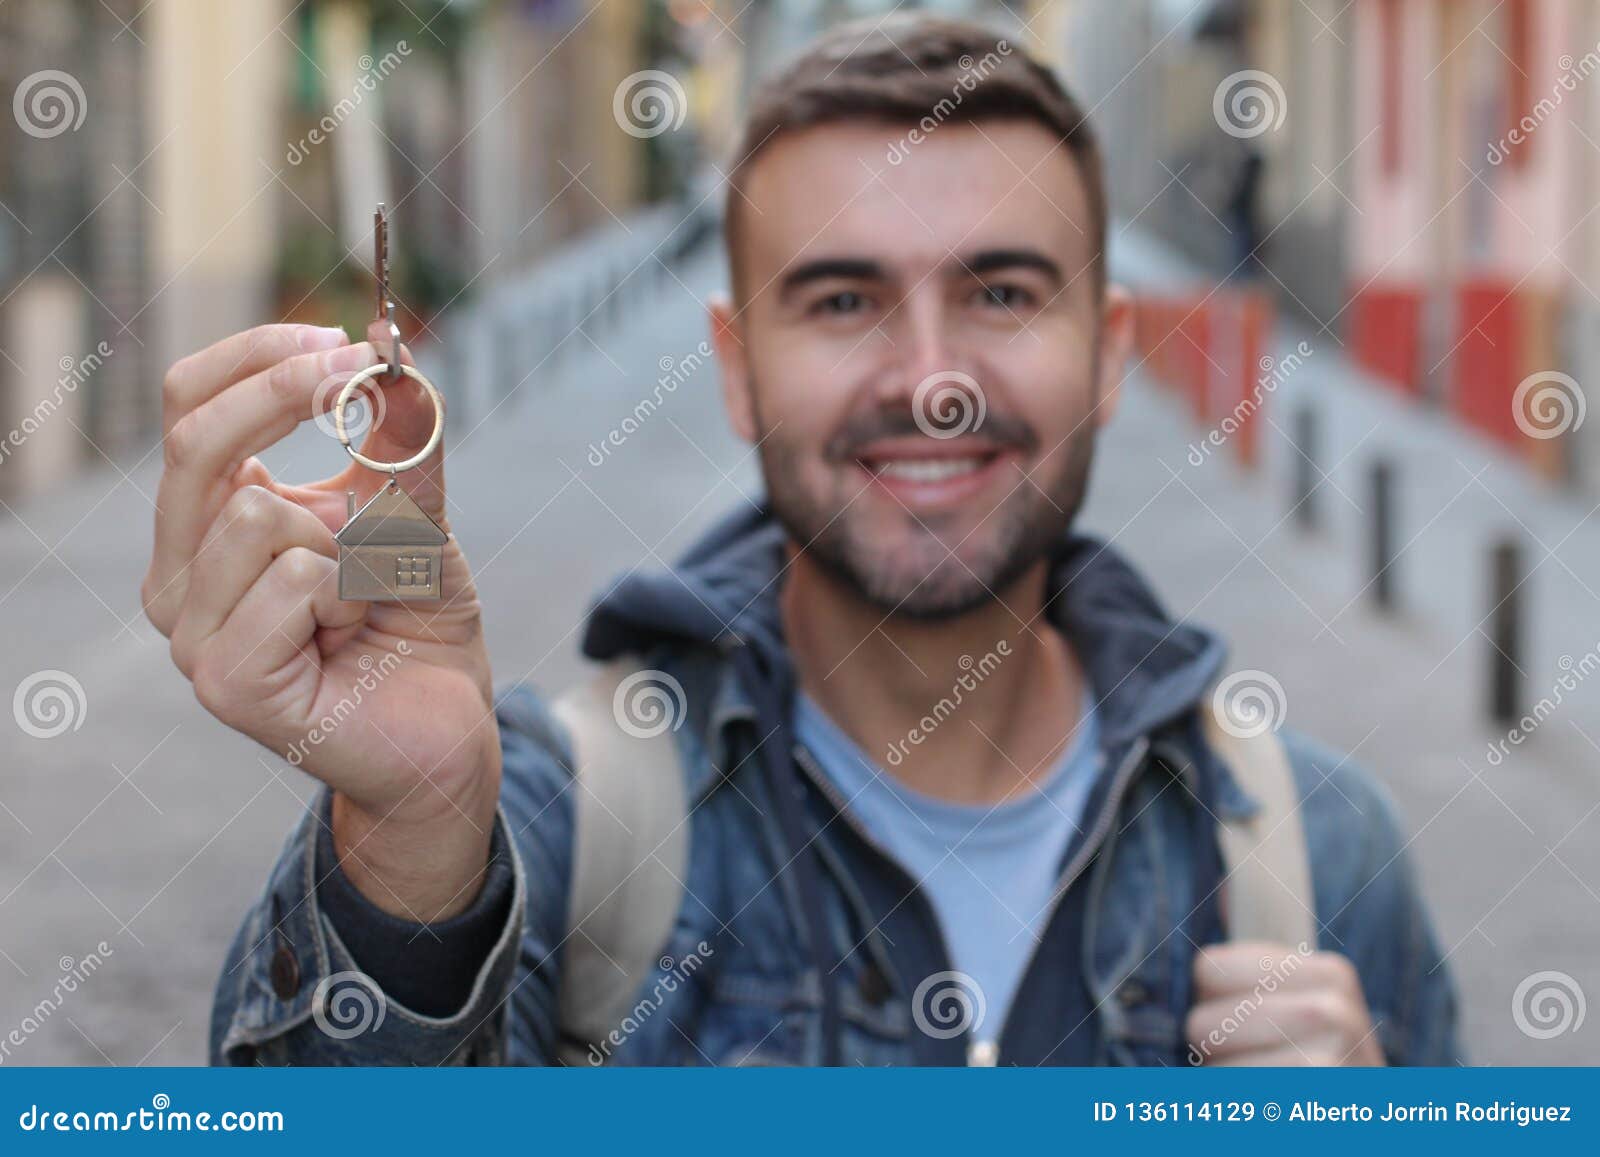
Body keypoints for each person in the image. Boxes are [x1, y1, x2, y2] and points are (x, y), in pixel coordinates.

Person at [142, 14, 1458, 1066]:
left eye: (1001, 292)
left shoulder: (1319, 855)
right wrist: (409, 845)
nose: (934, 379)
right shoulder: (554, 829)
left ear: (1110, 353)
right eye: (843, 298)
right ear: (736, 366)